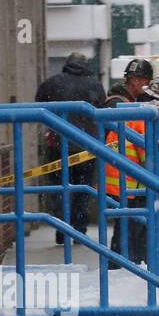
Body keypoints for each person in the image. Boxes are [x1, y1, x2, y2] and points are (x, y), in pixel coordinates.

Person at [34, 52, 105, 244]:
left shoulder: (53, 83)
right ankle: (79, 231)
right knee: (83, 190)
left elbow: (38, 106)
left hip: (58, 144)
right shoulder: (94, 85)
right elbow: (102, 112)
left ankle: (62, 230)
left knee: (60, 189)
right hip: (86, 146)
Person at [103, 59, 156, 262]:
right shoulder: (119, 104)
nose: (145, 85)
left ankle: (126, 261)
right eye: (143, 81)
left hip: (127, 174)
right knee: (126, 225)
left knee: (128, 224)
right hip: (121, 175)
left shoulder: (126, 102)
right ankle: (121, 264)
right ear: (133, 80)